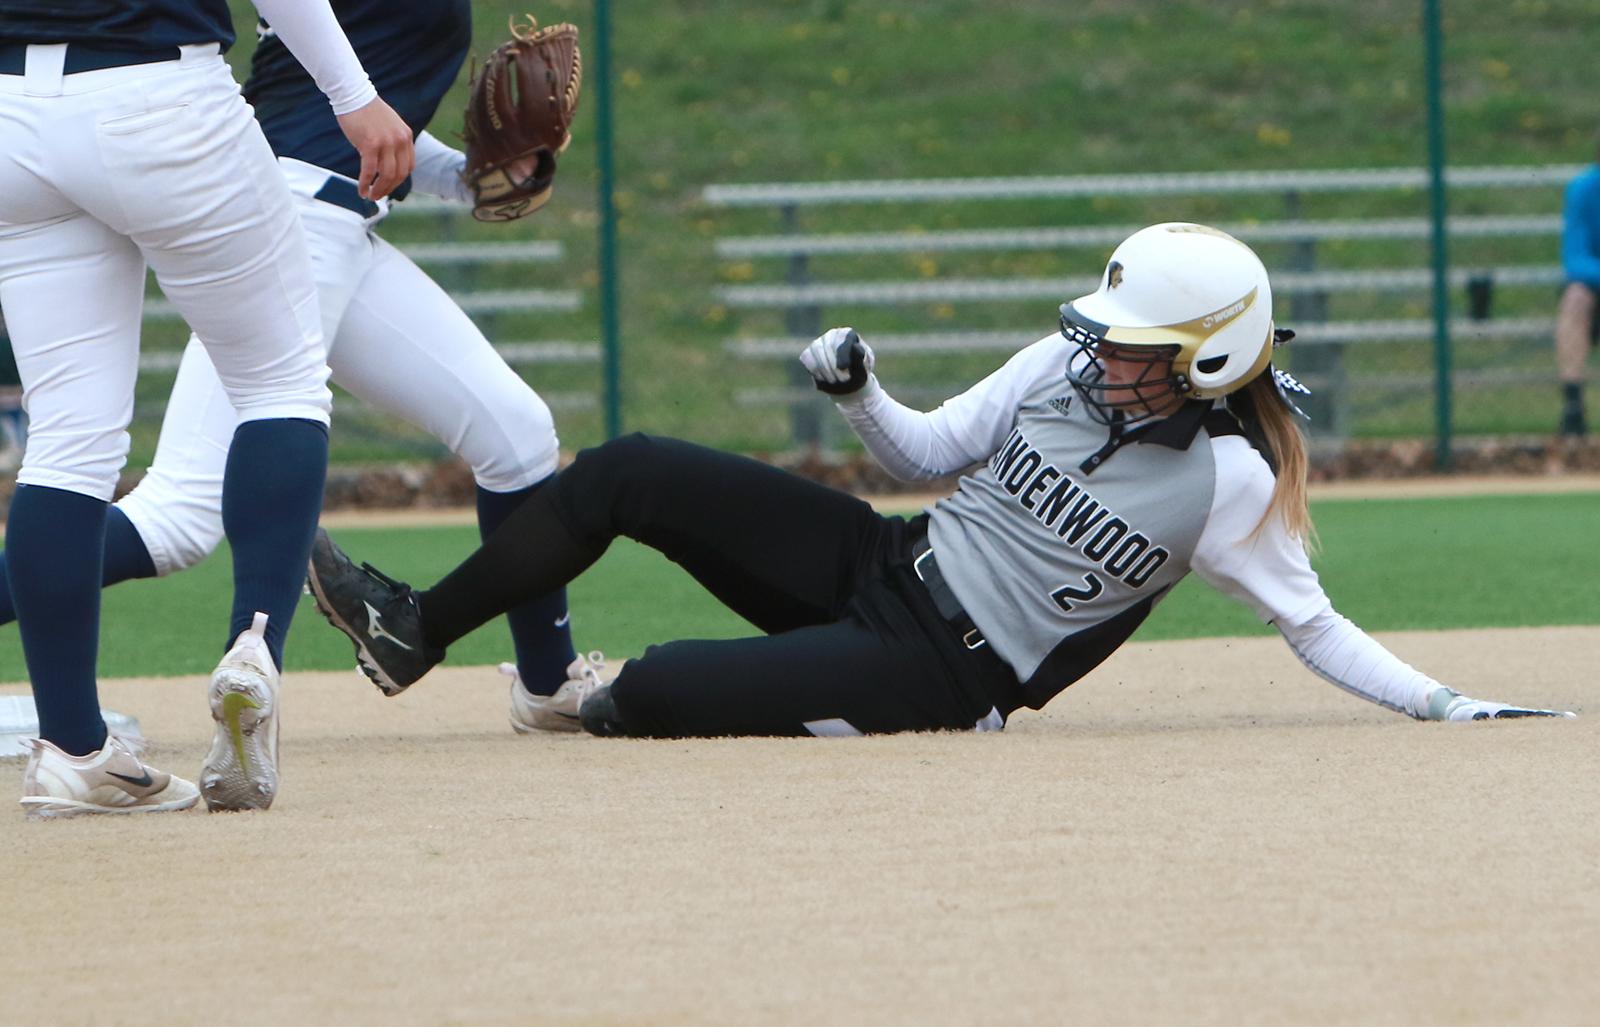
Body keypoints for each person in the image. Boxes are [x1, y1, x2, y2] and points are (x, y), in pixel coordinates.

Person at [306, 223, 1575, 737]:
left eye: (1136, 349)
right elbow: (919, 459)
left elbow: (1315, 623)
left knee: (645, 692)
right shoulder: (1061, 364)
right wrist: (860, 392)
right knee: (632, 470)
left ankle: (603, 693)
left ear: (1211, 362)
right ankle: (415, 629)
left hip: (946, 671)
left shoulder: (1233, 484)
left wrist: (1448, 704)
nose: (1101, 357)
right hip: (883, 563)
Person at [0, 0, 604, 803]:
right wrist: (362, 103)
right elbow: (319, 90)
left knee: (519, 435)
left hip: (307, 207)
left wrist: (460, 175)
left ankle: (548, 684)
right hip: (263, 193)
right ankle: (250, 654)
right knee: (178, 514)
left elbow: (329, 97)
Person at [0, 0, 415, 817]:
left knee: (67, 445)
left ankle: (74, 751)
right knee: (280, 382)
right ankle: (253, 647)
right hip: (159, 94)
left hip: (11, 109)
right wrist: (352, 94)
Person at [1557, 134, 1600, 438]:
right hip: (1596, 286)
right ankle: (1573, 403)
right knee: (1576, 297)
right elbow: (1575, 258)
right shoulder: (1584, 189)